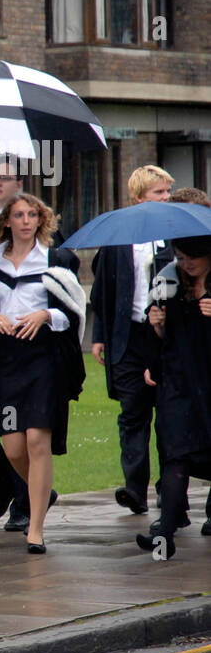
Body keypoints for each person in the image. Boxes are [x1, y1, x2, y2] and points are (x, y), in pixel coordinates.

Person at [0, 193, 85, 554]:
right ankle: (41, 489)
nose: (26, 220)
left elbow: (74, 311)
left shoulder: (54, 260)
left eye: (32, 214)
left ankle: (35, 529)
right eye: (19, 215)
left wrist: (45, 316)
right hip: (6, 361)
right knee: (13, 445)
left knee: (36, 441)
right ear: (7, 222)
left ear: (40, 220)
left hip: (43, 359)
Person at [89, 166, 174, 517]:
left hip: (166, 339)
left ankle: (171, 491)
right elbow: (102, 294)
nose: (166, 199)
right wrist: (98, 337)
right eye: (159, 193)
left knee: (168, 416)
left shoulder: (174, 239)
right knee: (132, 414)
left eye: (168, 192)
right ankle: (134, 488)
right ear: (139, 198)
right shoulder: (118, 240)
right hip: (127, 338)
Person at [138, 235, 211, 557]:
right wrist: (155, 327)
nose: (187, 264)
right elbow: (155, 352)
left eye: (193, 257)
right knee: (173, 455)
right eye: (181, 257)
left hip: (208, 384)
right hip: (177, 385)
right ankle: (164, 535)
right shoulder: (167, 288)